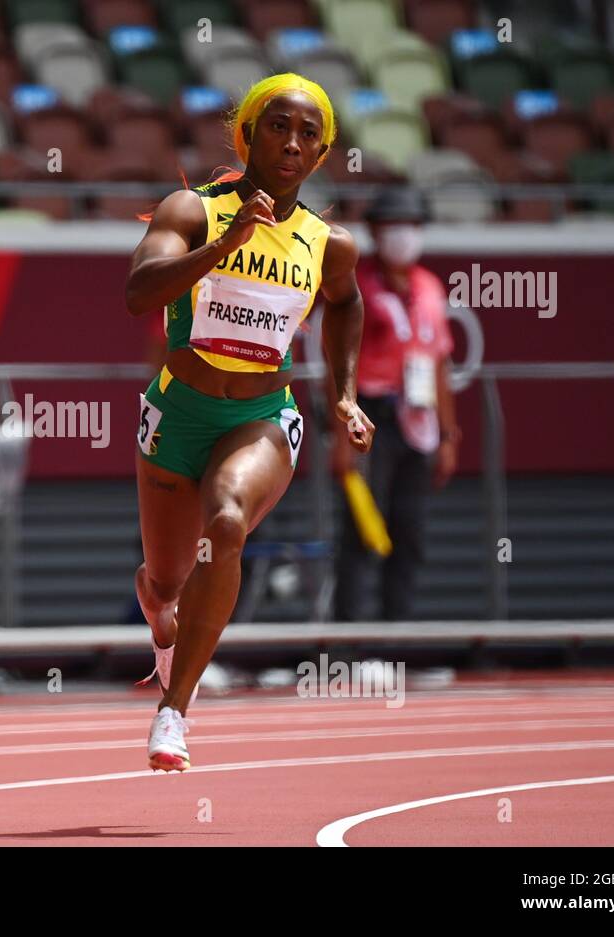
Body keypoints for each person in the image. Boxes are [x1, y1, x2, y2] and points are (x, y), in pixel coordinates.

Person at [125, 74, 374, 772]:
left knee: (227, 520)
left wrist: (347, 395)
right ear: (249, 133)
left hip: (264, 414)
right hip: (179, 412)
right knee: (167, 580)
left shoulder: (329, 242)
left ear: (322, 154)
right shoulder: (192, 210)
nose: (291, 143)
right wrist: (223, 245)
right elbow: (138, 293)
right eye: (277, 127)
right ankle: (159, 606)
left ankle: (174, 709)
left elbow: (347, 304)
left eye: (307, 135)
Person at [331, 187, 460, 622]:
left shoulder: (430, 286)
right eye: (393, 227)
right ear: (374, 232)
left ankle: (397, 641)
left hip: (418, 418)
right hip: (370, 414)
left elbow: (439, 360)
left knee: (410, 531)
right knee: (362, 529)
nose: (404, 236)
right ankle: (348, 645)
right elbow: (337, 358)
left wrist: (448, 434)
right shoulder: (356, 285)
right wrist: (341, 432)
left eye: (412, 227)